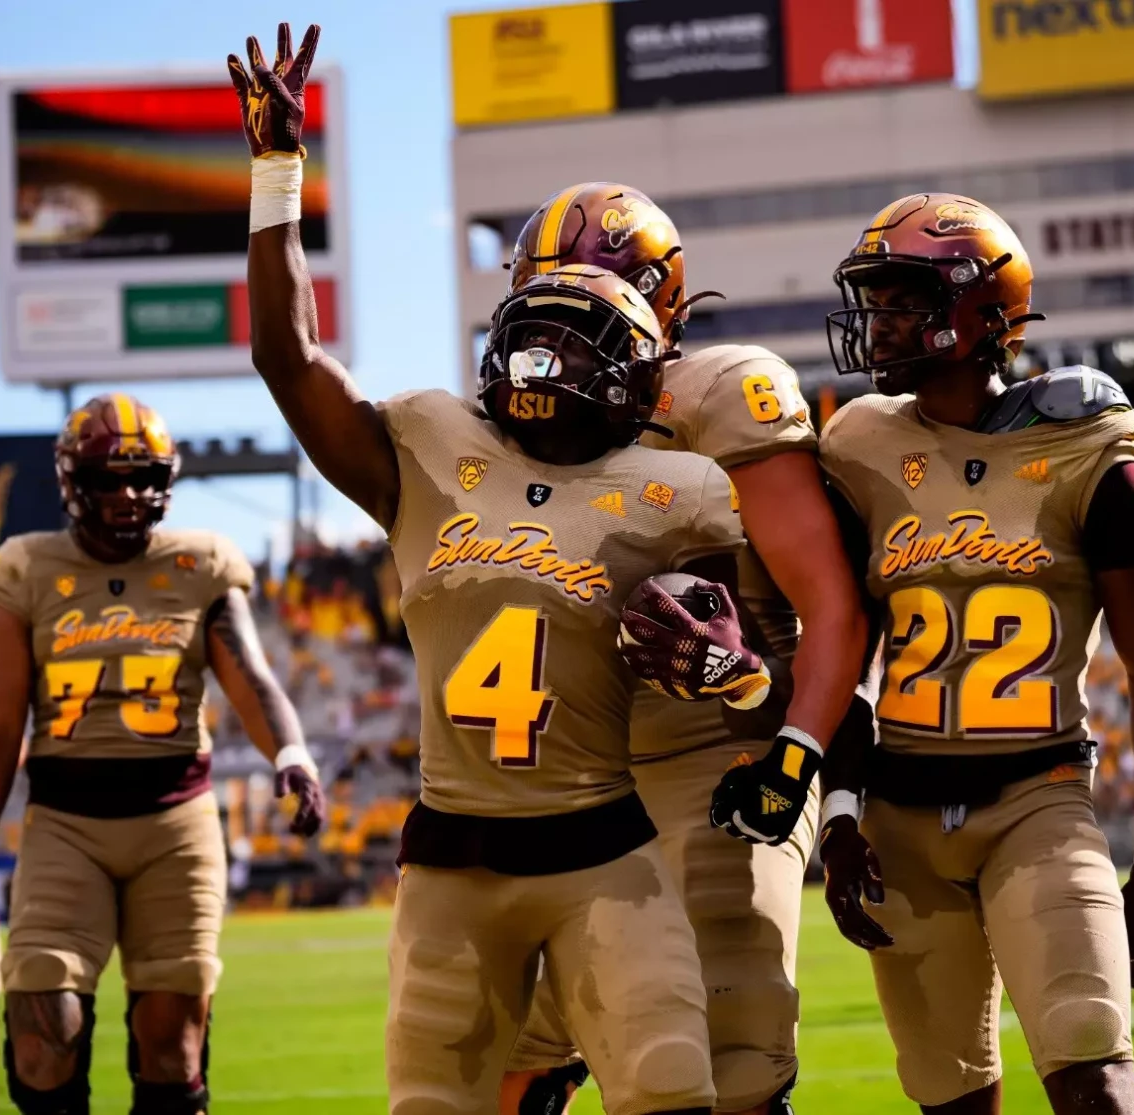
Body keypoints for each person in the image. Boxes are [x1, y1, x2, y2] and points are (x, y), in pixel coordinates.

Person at [232, 22, 806, 1113]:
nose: (554, 353)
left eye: (587, 330)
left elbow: (769, 659)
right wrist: (277, 177)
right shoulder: (431, 442)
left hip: (616, 830)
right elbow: (286, 357)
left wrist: (740, 680)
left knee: (690, 1073)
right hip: (458, 846)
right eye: (538, 323)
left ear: (647, 359)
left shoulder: (687, 479)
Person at [812, 193, 1134, 1115]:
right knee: (952, 1099)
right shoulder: (860, 446)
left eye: (903, 300)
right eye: (875, 301)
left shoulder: (1092, 453)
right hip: (900, 822)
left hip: (1039, 800)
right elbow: (843, 645)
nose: (878, 322)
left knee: (1093, 1067)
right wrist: (841, 812)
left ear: (981, 312)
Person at [497, 183, 866, 1115]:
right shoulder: (510, 421)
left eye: (586, 295)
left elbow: (830, 605)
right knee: (501, 1058)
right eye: (543, 300)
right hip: (577, 769)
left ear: (657, 296)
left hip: (718, 753)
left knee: (727, 1055)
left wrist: (796, 760)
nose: (560, 326)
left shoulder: (719, 391)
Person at [0, 392, 326, 1115]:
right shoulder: (26, 566)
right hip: (65, 824)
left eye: (144, 477)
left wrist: (292, 754)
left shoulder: (198, 563)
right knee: (43, 1033)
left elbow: (250, 675)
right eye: (108, 478)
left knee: (173, 1045)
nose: (128, 494)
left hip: (174, 824)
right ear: (71, 481)